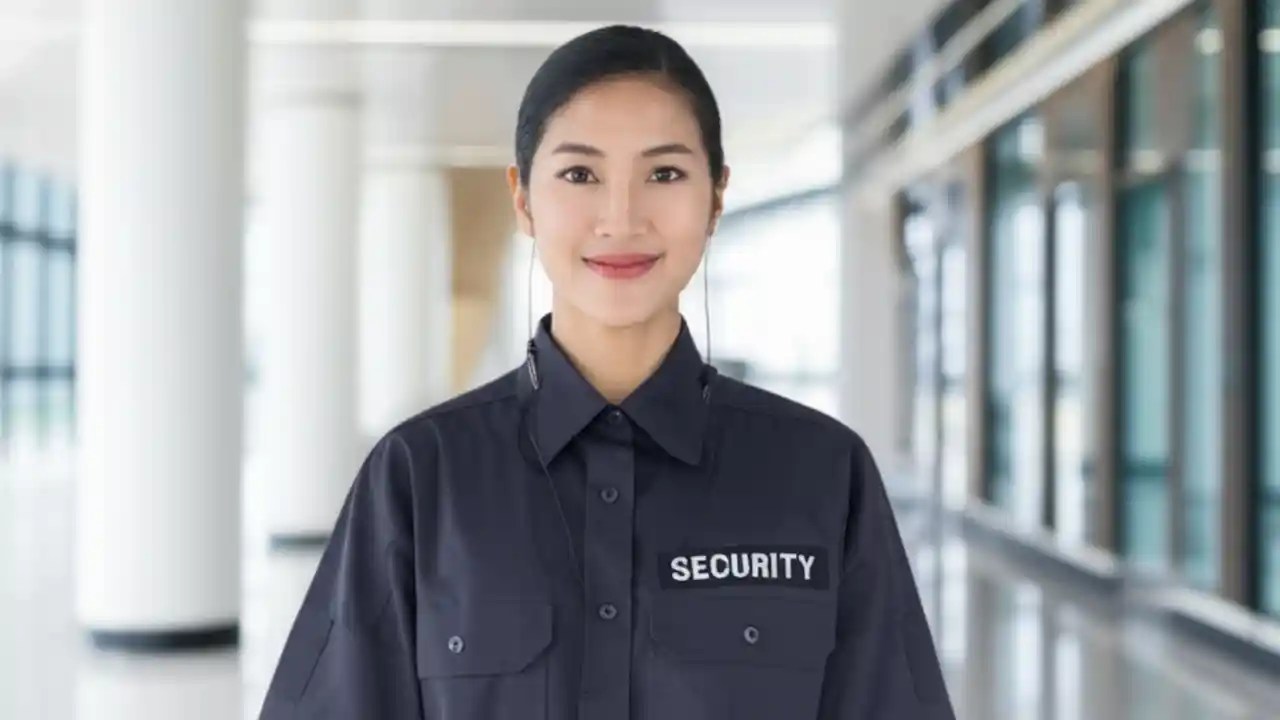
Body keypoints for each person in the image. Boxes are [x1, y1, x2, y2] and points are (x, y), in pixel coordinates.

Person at [259, 23, 955, 720]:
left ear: (716, 196)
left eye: (665, 173)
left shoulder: (824, 474)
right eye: (580, 174)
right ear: (524, 198)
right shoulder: (419, 476)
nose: (620, 218)